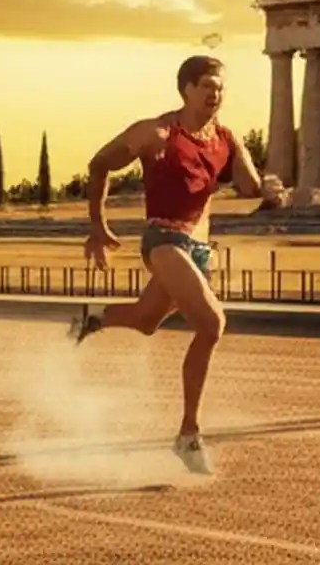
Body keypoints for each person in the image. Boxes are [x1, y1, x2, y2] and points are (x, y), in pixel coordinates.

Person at [68, 55, 279, 475]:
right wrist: (98, 226)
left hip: (200, 250)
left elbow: (250, 185)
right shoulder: (157, 132)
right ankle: (188, 434)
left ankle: (93, 318)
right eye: (206, 86)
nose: (214, 94)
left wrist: (273, 190)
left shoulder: (227, 139)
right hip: (164, 241)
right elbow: (98, 164)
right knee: (212, 324)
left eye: (219, 88)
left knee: (147, 320)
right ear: (185, 89)